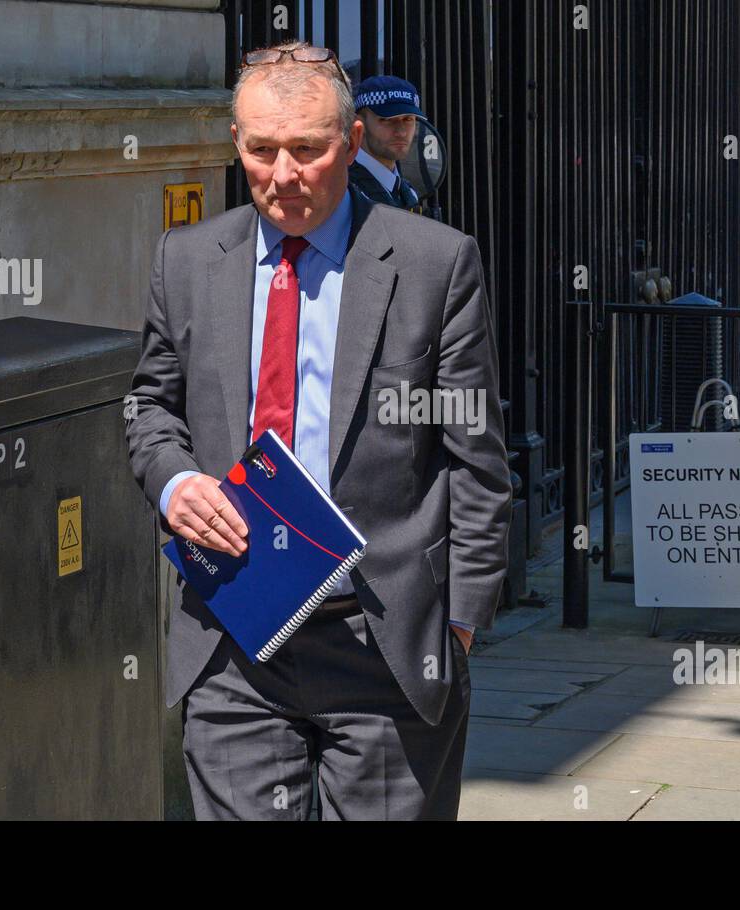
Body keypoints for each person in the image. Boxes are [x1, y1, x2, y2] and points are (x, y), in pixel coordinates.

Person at [125, 40, 511, 820]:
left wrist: (459, 623)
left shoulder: (435, 265)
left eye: (309, 149)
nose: (284, 175)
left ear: (354, 142)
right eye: (262, 151)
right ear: (236, 144)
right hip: (233, 638)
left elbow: (478, 464)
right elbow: (149, 408)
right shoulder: (188, 259)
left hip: (384, 646)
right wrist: (174, 482)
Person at [348, 74, 425, 210]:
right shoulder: (343, 190)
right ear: (359, 124)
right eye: (387, 120)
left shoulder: (408, 192)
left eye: (408, 119)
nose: (401, 132)